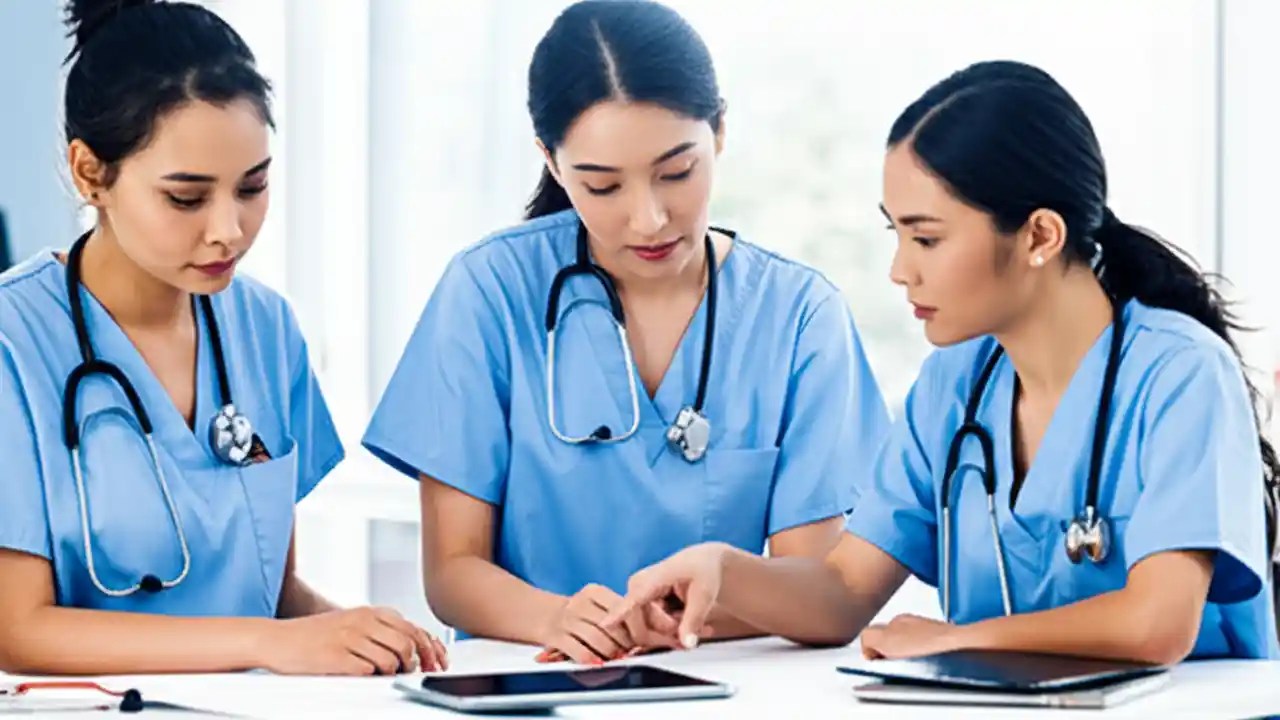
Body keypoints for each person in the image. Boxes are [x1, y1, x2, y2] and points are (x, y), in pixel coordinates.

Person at [605, 60, 1280, 663]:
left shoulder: (1181, 374)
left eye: (926, 238)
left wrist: (955, 638)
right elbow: (843, 591)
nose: (900, 271)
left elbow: (1157, 624)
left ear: (1040, 236)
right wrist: (721, 569)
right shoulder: (955, 385)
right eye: (895, 233)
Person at [362, 0, 890, 665]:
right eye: (603, 185)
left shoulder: (800, 316)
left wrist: (667, 624)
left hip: (725, 688)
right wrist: (557, 619)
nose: (648, 219)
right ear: (552, 163)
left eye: (676, 173)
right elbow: (452, 572)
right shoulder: (488, 290)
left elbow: (815, 591)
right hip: (536, 678)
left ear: (719, 132)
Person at [0, 0, 447, 676]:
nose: (229, 230)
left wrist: (370, 638)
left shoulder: (265, 329)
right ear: (92, 174)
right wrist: (263, 643)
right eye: (187, 198)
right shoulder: (15, 343)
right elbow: (17, 630)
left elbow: (275, 596)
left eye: (253, 187)